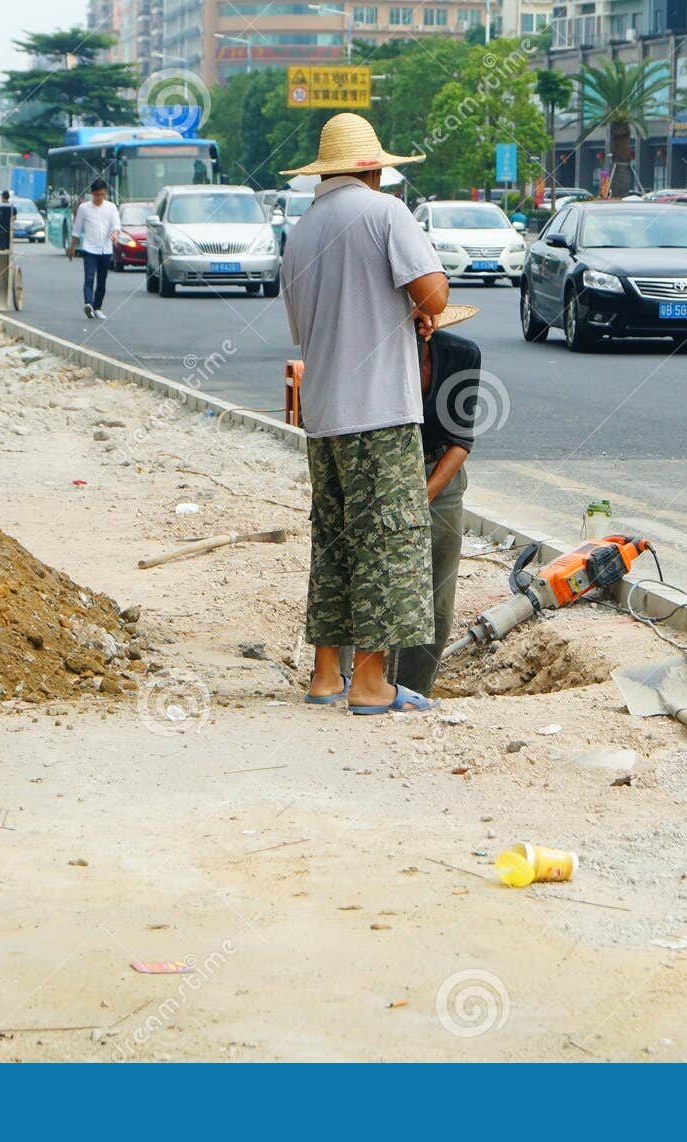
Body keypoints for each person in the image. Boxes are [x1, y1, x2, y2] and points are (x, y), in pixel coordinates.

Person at [280, 112, 450, 715]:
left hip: (323, 415)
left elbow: (306, 329)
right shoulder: (385, 213)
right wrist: (420, 307)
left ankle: (327, 674)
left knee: (333, 541)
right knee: (389, 541)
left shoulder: (300, 232)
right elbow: (433, 294)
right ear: (373, 169)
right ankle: (372, 684)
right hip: (379, 411)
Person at [387, 304, 480, 699]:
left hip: (439, 474)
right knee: (376, 587)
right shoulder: (376, 361)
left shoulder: (461, 355)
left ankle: (413, 691)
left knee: (435, 599)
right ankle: (356, 684)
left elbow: (461, 440)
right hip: (383, 473)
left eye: (422, 319)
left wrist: (423, 494)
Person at [68, 178, 120, 319]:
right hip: (90, 248)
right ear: (92, 194)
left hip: (105, 249)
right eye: (97, 195)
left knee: (102, 281)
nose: (99, 198)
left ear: (106, 194)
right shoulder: (84, 208)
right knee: (89, 278)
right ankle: (88, 304)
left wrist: (115, 234)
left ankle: (98, 307)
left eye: (102, 195)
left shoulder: (111, 207)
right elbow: (77, 230)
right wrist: (72, 247)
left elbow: (116, 225)